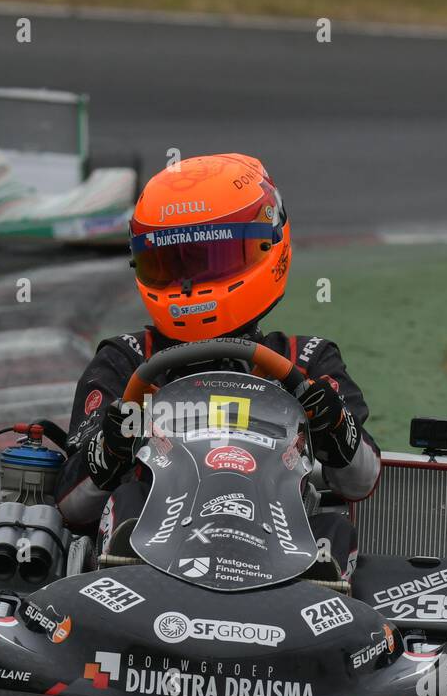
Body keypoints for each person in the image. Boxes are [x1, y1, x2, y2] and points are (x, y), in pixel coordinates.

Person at [54, 153, 381, 573]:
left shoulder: (308, 359)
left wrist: (334, 425)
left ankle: (318, 594)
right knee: (126, 503)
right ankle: (126, 565)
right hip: (153, 559)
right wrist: (111, 447)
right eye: (172, 265)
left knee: (334, 528)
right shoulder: (127, 360)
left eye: (212, 260)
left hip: (280, 549)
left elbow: (362, 480)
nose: (192, 284)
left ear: (269, 243)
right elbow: (70, 505)